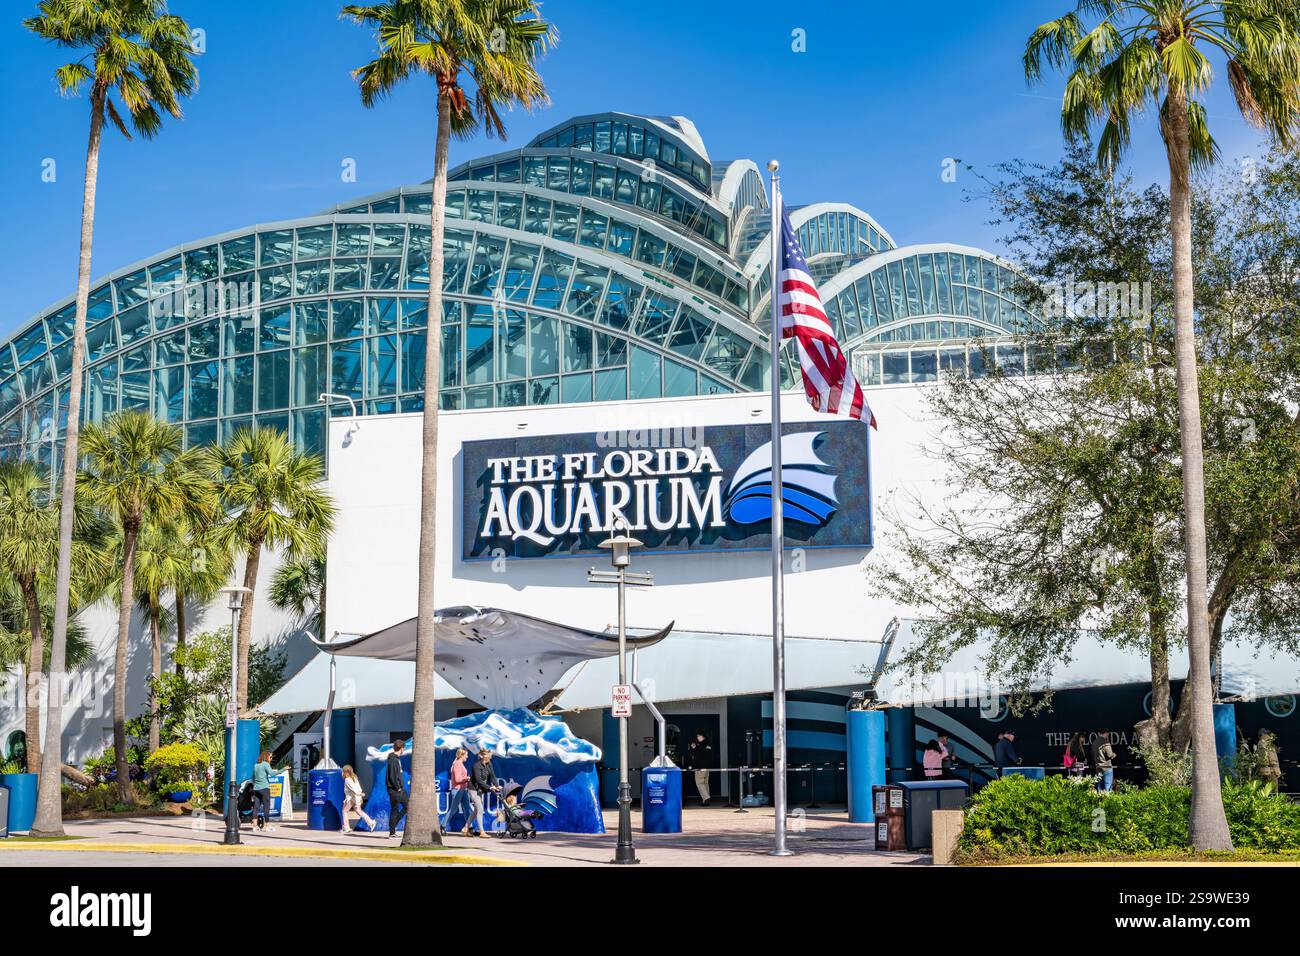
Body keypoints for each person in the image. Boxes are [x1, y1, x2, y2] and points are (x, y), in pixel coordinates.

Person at [469, 747, 500, 837]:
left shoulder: (489, 764)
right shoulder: (476, 765)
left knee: (476, 810)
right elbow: (478, 780)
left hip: (480, 790)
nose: (489, 757)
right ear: (482, 756)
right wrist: (490, 787)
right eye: (487, 755)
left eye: (489, 755)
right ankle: (482, 832)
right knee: (480, 810)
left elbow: (493, 776)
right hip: (473, 789)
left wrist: (497, 786)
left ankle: (466, 827)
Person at [448, 748, 478, 836]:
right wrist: (467, 778)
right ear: (461, 755)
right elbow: (457, 779)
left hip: (463, 789)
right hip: (457, 789)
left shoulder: (460, 764)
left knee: (467, 809)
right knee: (453, 810)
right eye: (466, 755)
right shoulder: (457, 764)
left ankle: (470, 828)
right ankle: (442, 826)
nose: (467, 757)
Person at [341, 764, 375, 833]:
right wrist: (360, 794)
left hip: (351, 798)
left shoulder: (347, 779)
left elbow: (353, 789)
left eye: (343, 771)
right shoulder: (354, 778)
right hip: (356, 798)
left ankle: (347, 827)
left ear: (345, 772)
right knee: (359, 811)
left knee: (344, 811)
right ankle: (371, 822)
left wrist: (359, 794)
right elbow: (358, 788)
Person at [385, 738, 409, 837]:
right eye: (403, 748)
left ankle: (393, 825)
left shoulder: (396, 759)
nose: (403, 750)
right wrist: (398, 787)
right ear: (401, 748)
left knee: (407, 806)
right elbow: (393, 775)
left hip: (400, 789)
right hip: (395, 789)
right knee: (394, 810)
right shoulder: (393, 760)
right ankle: (392, 832)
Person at [684, 731, 714, 805]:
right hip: (707, 768)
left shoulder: (700, 745)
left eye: (699, 736)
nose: (697, 738)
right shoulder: (708, 744)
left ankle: (706, 798)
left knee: (700, 783)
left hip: (700, 767)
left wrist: (694, 748)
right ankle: (707, 798)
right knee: (705, 783)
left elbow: (698, 756)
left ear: (703, 737)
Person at [251, 750, 277, 831]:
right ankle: (267, 827)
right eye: (271, 757)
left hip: (256, 789)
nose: (271, 758)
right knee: (266, 807)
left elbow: (253, 777)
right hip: (265, 788)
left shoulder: (256, 765)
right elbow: (272, 774)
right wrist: (283, 769)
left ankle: (255, 827)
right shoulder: (265, 764)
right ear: (266, 757)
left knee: (256, 808)